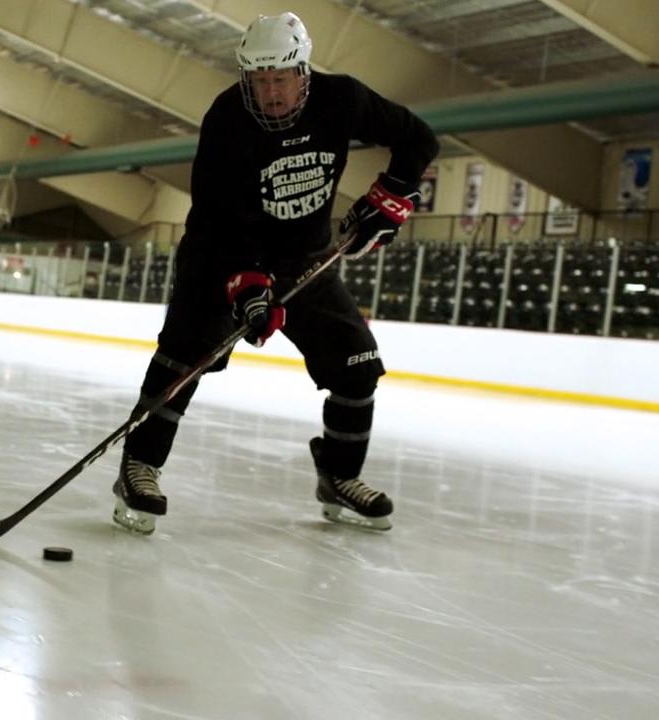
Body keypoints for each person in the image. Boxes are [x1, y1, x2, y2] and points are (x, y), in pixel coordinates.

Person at [112, 11, 439, 534]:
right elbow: (215, 215)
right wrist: (246, 283)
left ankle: (339, 476)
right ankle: (139, 469)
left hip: (305, 258)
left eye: (280, 78)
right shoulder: (227, 119)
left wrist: (392, 193)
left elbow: (418, 138)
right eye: (259, 80)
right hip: (218, 255)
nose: (270, 92)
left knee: (356, 367)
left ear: (302, 72)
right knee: (184, 362)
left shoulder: (342, 100)